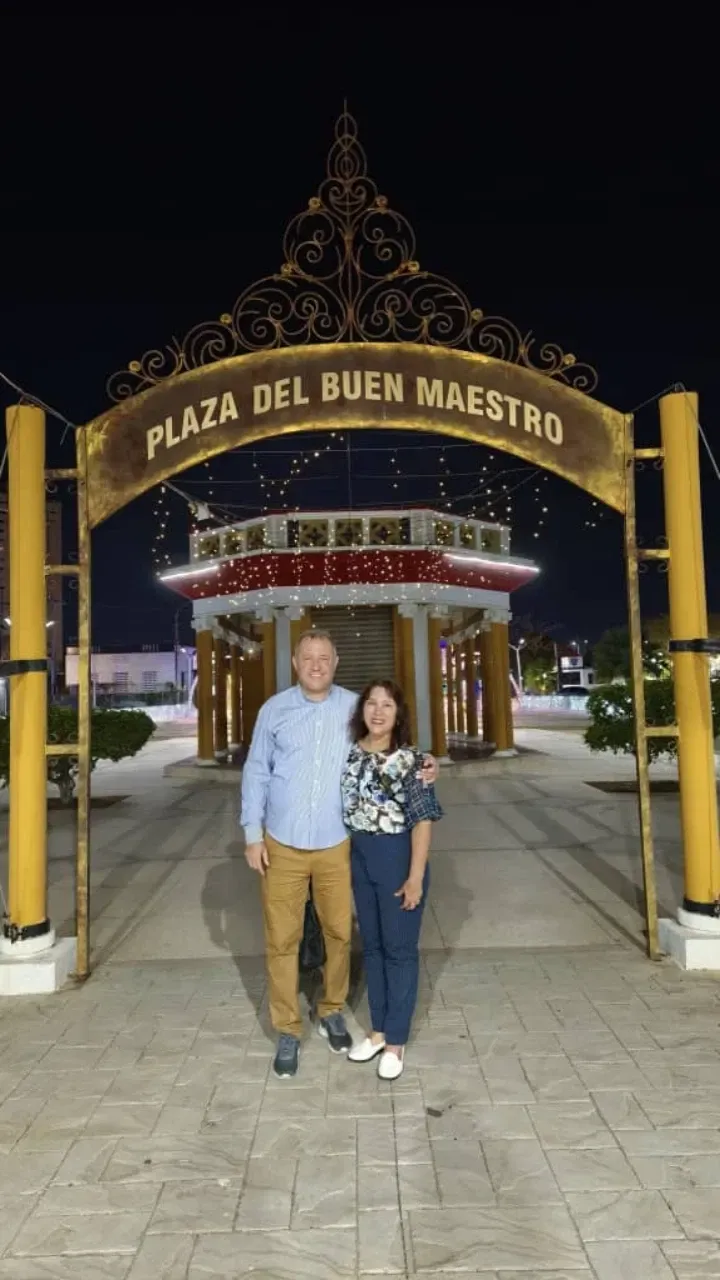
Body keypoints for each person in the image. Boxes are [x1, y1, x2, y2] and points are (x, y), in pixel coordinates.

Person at [241, 630, 438, 1079]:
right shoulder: (274, 710)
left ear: (335, 661)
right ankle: (288, 1029)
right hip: (281, 844)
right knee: (281, 940)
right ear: (295, 662)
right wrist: (253, 834)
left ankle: (331, 1010)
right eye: (308, 658)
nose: (316, 665)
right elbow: (256, 772)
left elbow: (390, 745)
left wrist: (428, 762)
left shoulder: (355, 707)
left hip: (337, 845)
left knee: (340, 935)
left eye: (324, 658)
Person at [341, 680, 443, 1081]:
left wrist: (415, 876)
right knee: (374, 949)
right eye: (371, 704)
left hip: (398, 857)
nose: (378, 711)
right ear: (361, 711)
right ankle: (378, 1030)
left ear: (398, 714)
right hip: (360, 859)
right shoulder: (347, 756)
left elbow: (423, 821)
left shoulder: (414, 762)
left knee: (400, 950)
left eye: (387, 705)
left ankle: (397, 1041)